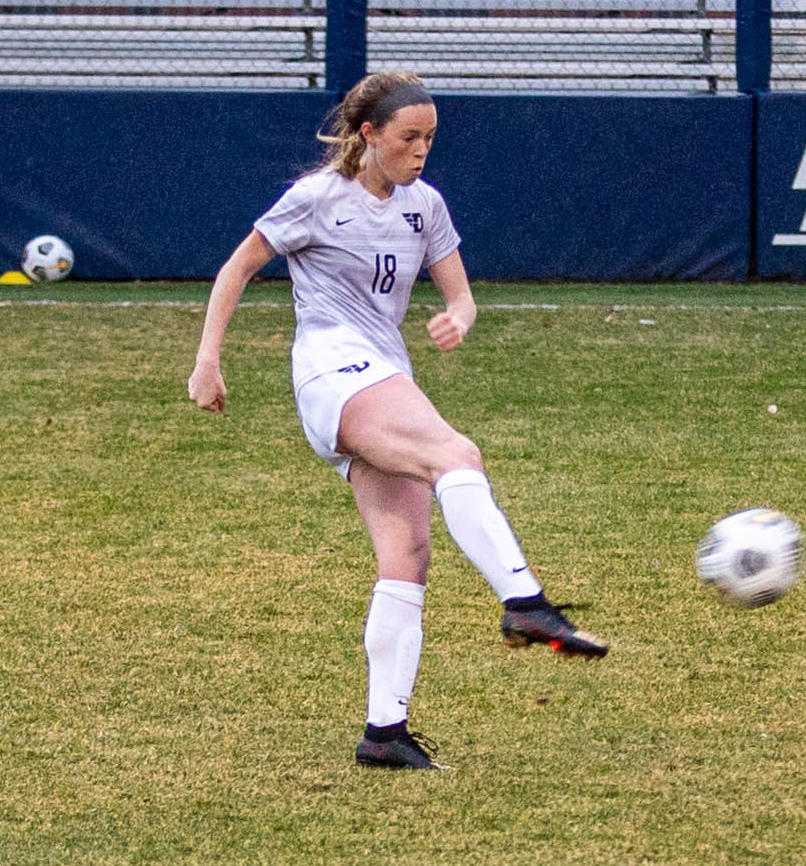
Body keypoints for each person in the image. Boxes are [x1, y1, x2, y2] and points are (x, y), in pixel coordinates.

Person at [187, 71, 606, 772]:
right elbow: (239, 267)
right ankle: (525, 601)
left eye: (430, 138)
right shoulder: (317, 198)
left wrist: (459, 318)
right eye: (409, 137)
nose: (421, 151)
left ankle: (385, 733)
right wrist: (208, 362)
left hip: (384, 374)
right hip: (333, 371)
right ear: (368, 134)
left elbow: (461, 296)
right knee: (456, 455)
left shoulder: (425, 205)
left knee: (408, 553)